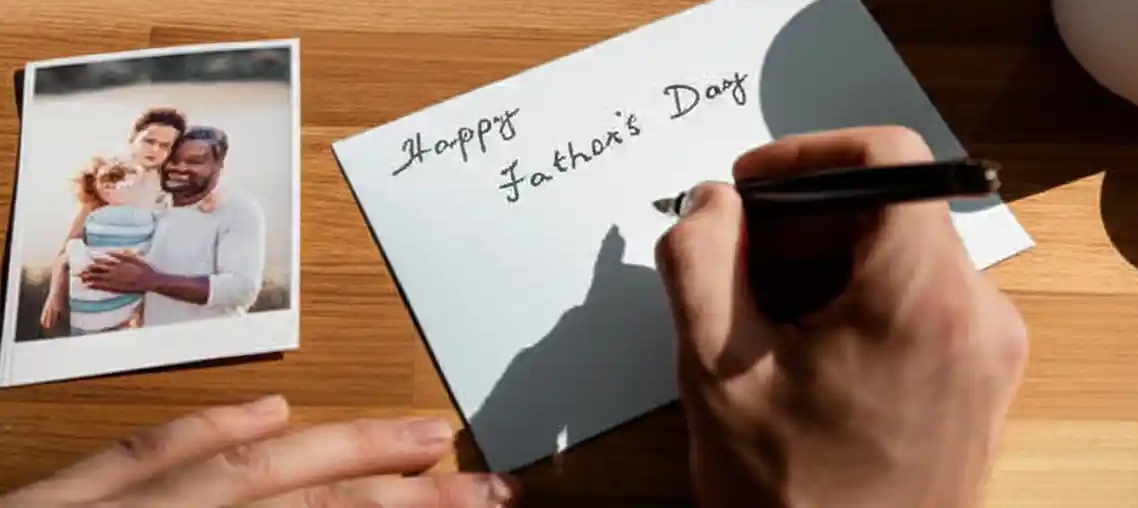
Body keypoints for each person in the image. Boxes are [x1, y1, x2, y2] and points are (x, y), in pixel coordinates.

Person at [0, 126, 1027, 508]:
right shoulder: (121, 211)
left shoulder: (242, 214)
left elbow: (226, 294)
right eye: (159, 161)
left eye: (184, 161)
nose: (169, 172)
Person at [79, 126, 266, 326]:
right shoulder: (149, 205)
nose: (179, 168)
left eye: (194, 162)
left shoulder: (236, 207)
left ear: (219, 165)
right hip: (148, 341)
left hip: (209, 342)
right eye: (172, 160)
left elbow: (242, 288)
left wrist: (152, 281)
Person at [40, 107, 189, 332]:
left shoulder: (168, 191)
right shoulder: (112, 183)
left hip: (140, 295)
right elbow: (71, 243)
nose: (156, 149)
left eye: (165, 145)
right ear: (133, 138)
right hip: (93, 293)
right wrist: (55, 295)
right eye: (149, 141)